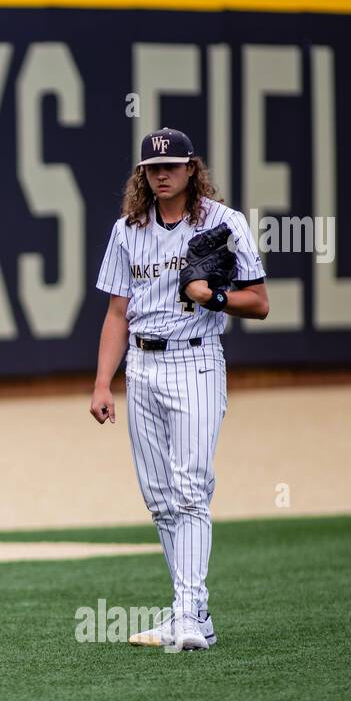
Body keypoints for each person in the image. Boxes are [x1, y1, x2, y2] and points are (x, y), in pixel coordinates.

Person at [90, 127, 270, 650]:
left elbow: (259, 302)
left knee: (191, 488)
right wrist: (103, 382)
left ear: (193, 167)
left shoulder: (223, 222)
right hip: (141, 369)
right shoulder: (128, 230)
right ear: (142, 174)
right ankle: (193, 613)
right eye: (152, 167)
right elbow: (117, 312)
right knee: (161, 500)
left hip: (195, 360)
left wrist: (210, 296)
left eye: (171, 165)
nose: (162, 174)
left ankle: (187, 617)